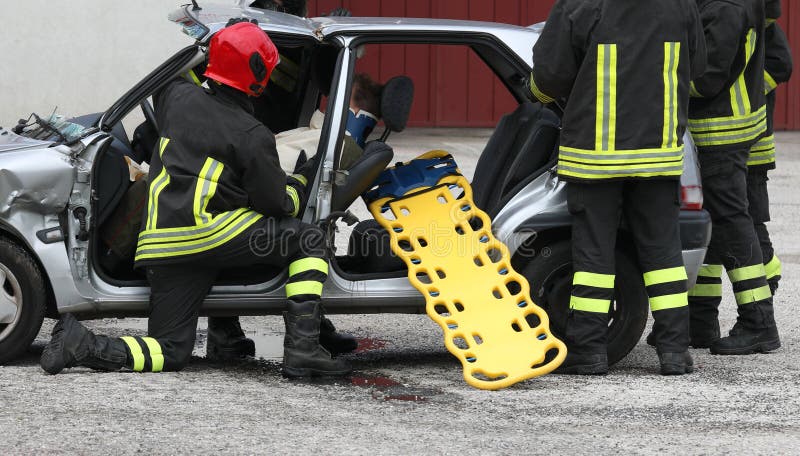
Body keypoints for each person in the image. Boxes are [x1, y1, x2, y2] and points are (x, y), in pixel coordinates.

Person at [40, 22, 351, 377]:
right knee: (308, 238)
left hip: (162, 246)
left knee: (168, 350)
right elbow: (277, 205)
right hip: (206, 235)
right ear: (258, 74)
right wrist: (300, 180)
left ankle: (81, 344)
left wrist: (215, 43)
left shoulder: (175, 99)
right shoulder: (252, 135)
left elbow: (180, 74)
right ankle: (304, 349)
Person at [529, 0, 706, 375]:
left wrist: (538, 94)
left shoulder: (582, 5)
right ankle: (675, 351)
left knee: (594, 254)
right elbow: (698, 69)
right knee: (663, 253)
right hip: (658, 155)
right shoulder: (682, 7)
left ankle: (589, 350)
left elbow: (549, 76)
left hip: (596, 158)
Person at [686, 0, 781, 356]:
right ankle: (700, 321)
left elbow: (707, 77)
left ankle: (759, 322)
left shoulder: (725, 6)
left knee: (731, 224)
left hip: (720, 129)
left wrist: (664, 79)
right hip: (718, 126)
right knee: (710, 225)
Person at [275, 73, 384, 172]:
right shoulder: (319, 134)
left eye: (341, 95)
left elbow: (264, 160)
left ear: (356, 114)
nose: (331, 98)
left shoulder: (330, 145)